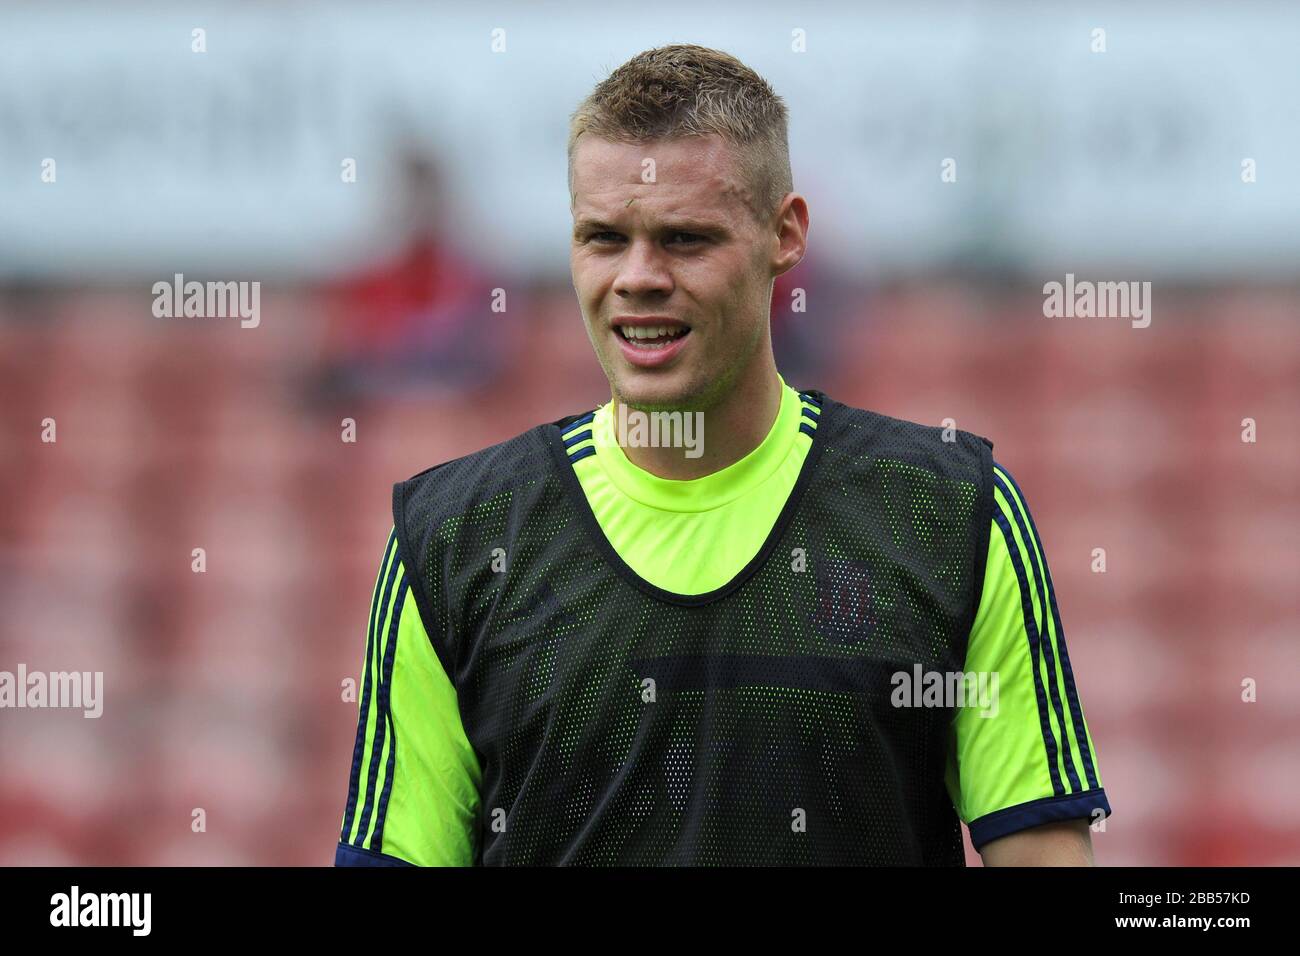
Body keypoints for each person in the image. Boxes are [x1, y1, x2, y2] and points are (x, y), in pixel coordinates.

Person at [335, 44, 1110, 866]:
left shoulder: (949, 514)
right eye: (603, 238)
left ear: (786, 234)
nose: (637, 277)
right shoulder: (454, 539)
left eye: (684, 239)